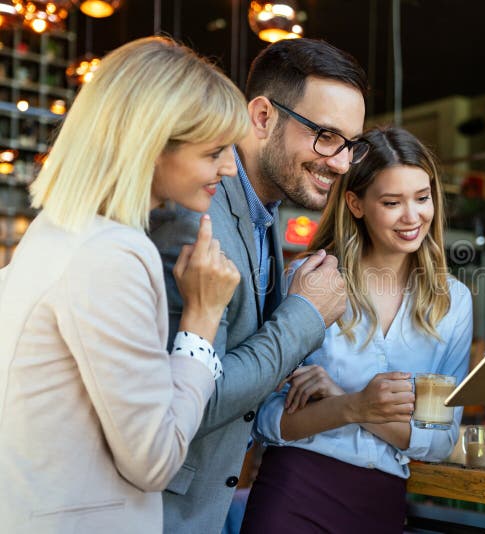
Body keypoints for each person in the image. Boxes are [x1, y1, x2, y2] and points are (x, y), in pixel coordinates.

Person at [0, 36, 248, 533]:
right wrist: (201, 320)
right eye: (215, 151)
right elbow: (154, 460)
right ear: (153, 146)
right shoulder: (111, 254)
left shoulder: (54, 233)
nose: (229, 167)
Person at [148, 38, 367, 533]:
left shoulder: (261, 212)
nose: (341, 162)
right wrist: (305, 318)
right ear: (263, 117)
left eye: (352, 144)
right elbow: (190, 397)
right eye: (326, 136)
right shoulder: (196, 216)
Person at [239, 126, 473, 534]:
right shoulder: (310, 277)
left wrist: (345, 401)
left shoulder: (452, 302)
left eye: (422, 198)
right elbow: (264, 419)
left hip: (380, 505)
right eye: (391, 202)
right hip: (295, 493)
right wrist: (354, 407)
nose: (412, 216)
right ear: (356, 203)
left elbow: (439, 440)